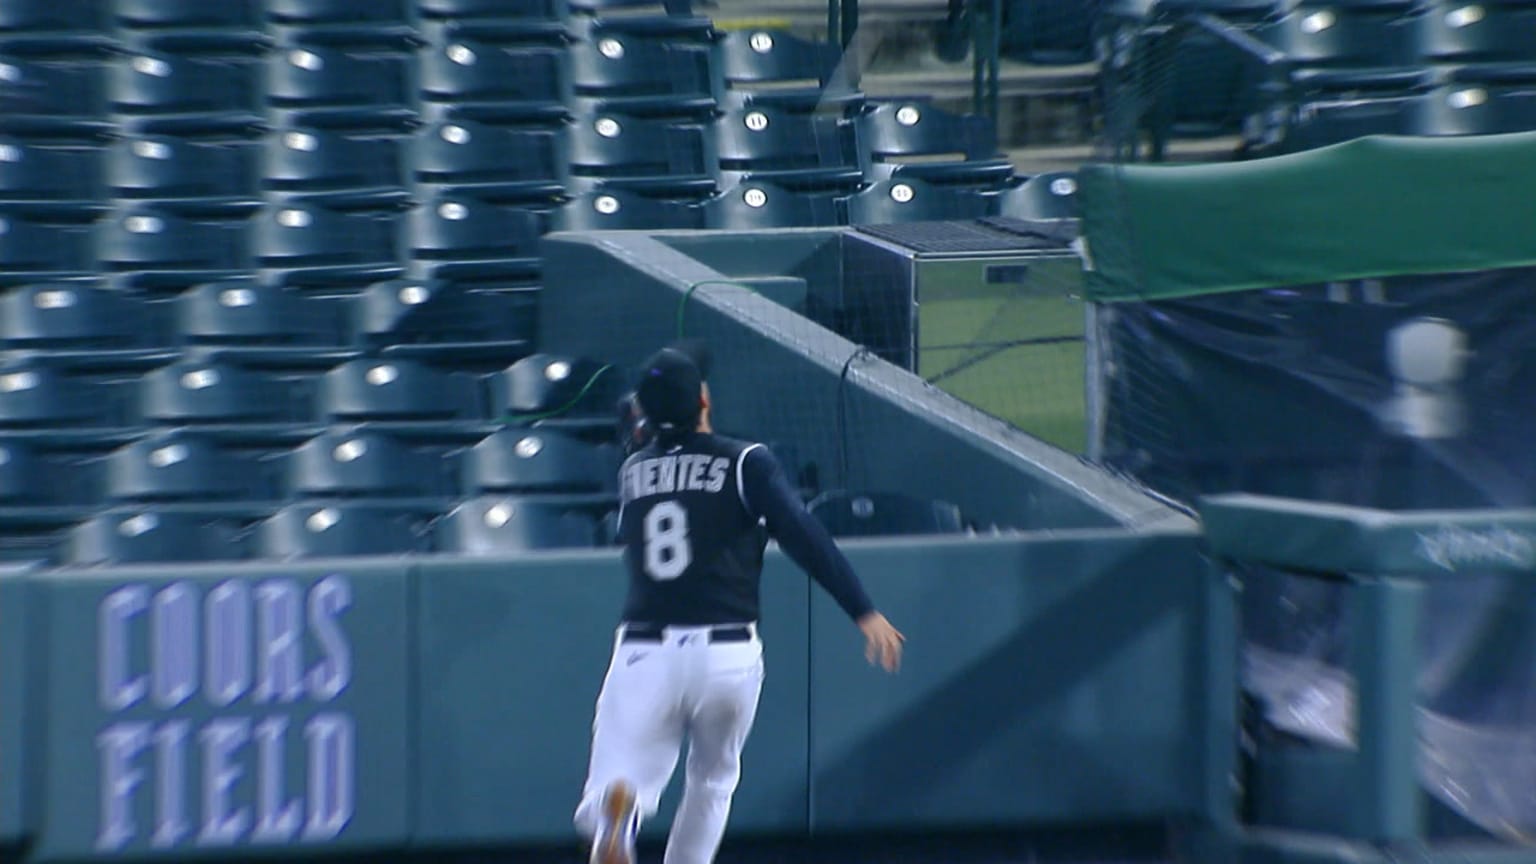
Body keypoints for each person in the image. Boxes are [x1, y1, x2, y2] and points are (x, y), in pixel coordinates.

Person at [575, 342, 906, 864]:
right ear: (703, 401)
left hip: (645, 649)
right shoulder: (745, 461)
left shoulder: (632, 472)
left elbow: (659, 439)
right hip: (725, 655)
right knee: (712, 782)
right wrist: (863, 610)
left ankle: (624, 812)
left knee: (620, 774)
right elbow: (801, 533)